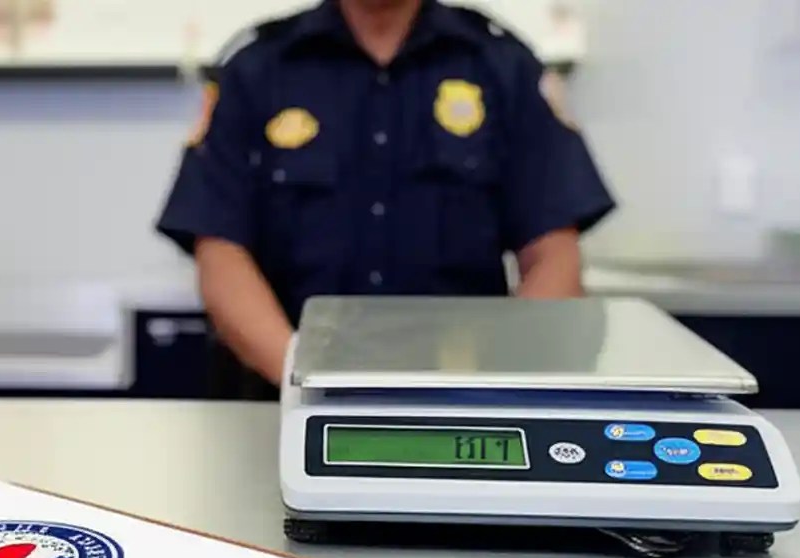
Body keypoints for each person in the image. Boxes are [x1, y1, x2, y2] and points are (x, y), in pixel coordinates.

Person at [154, 0, 616, 398]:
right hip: (281, 409)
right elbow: (219, 255)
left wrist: (496, 388)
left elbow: (554, 257)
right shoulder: (256, 69)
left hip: (463, 415)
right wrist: (303, 381)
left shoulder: (501, 64)